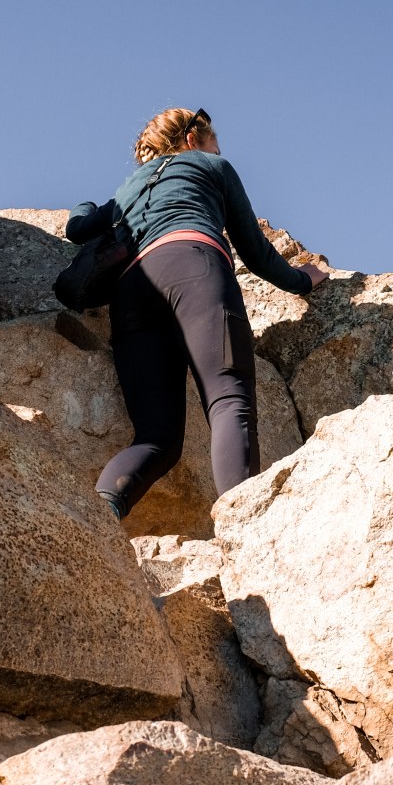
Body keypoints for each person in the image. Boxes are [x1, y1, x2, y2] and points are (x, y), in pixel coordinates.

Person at [66, 107, 326, 518]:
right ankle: (244, 535)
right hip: (193, 266)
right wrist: (302, 279)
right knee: (229, 399)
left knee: (157, 438)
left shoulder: (126, 192)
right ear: (193, 140)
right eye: (213, 142)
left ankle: (94, 526)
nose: (217, 150)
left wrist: (85, 203)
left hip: (132, 292)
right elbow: (254, 250)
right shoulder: (211, 165)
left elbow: (76, 228)